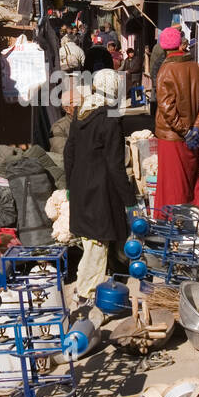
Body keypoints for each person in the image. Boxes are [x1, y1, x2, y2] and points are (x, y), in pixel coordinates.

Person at [65, 69, 137, 299]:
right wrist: (129, 200)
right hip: (100, 190)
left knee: (89, 242)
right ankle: (87, 292)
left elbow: (69, 153)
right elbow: (115, 165)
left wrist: (70, 186)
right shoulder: (111, 117)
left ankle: (85, 286)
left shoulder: (82, 112)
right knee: (97, 243)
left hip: (80, 185)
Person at [154, 25, 199, 217]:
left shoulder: (166, 70)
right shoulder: (197, 68)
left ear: (164, 48)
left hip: (172, 135)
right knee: (192, 175)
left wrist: (185, 130)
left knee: (172, 181)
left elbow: (167, 107)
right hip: (192, 135)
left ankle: (174, 220)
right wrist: (196, 127)